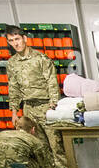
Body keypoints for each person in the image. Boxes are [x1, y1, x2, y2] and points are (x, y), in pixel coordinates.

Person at [5, 25, 63, 160]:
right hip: (28, 110)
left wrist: (53, 105)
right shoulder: (11, 63)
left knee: (57, 148)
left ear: (24, 38)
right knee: (38, 148)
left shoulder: (41, 58)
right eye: (11, 40)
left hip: (46, 107)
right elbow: (13, 88)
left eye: (17, 39)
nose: (15, 43)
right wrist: (14, 112)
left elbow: (52, 82)